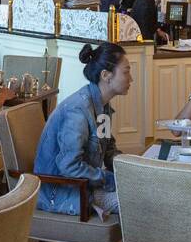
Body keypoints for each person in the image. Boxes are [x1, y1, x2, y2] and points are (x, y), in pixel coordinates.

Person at [33, 43, 130, 217]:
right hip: (63, 193)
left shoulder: (103, 106)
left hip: (83, 186)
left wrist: (132, 170)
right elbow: (69, 166)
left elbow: (108, 151)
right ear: (106, 75)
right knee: (140, 205)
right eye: (126, 72)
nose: (131, 79)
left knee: (143, 196)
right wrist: (108, 179)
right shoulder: (78, 111)